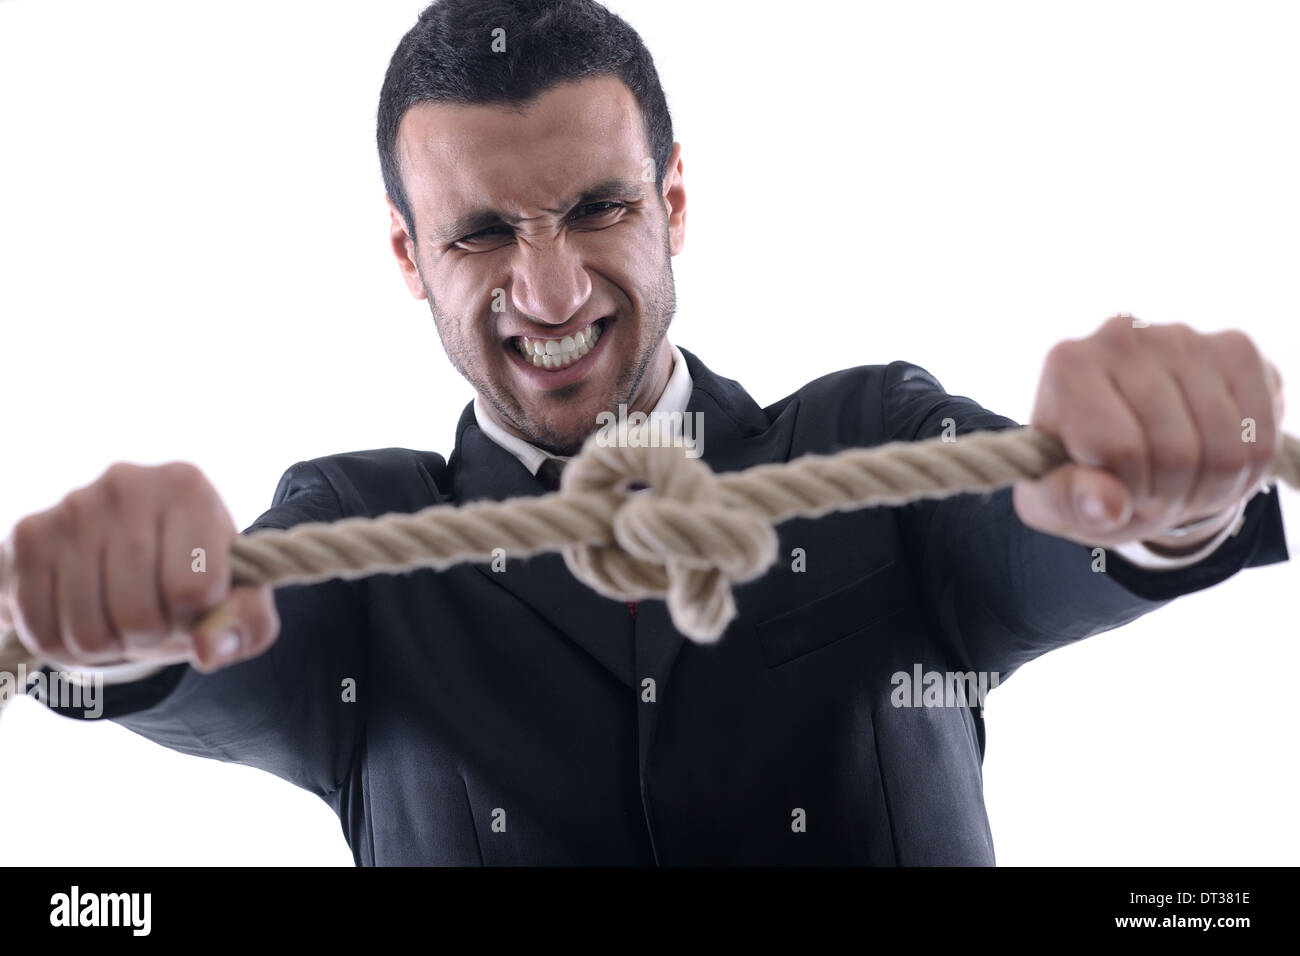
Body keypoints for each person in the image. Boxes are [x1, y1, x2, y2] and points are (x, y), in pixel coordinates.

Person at [0, 0, 1287, 865]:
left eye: (598, 208)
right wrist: (115, 623)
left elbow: (1044, 540)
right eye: (483, 232)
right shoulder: (355, 534)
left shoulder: (867, 441)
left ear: (672, 198)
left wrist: (1166, 490)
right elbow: (205, 656)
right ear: (407, 254)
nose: (550, 292)